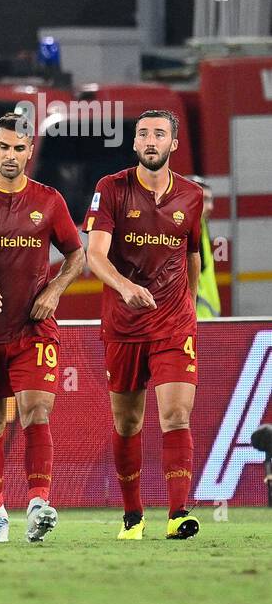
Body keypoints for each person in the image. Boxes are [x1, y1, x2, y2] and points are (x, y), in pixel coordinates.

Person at [0, 113, 85, 544]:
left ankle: (38, 503)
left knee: (36, 411)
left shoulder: (49, 201)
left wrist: (56, 289)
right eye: (4, 147)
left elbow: (76, 255)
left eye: (19, 148)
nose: (11, 156)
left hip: (34, 327)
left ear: (30, 150)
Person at [85, 109, 205, 541]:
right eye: (143, 134)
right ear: (134, 144)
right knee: (128, 423)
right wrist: (124, 287)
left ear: (173, 144)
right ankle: (133, 517)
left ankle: (178, 514)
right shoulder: (111, 189)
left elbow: (192, 255)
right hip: (124, 325)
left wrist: (187, 306)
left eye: (159, 134)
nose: (150, 140)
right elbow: (94, 254)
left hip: (173, 325)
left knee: (175, 415)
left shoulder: (191, 196)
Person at [189, 175, 220, 319]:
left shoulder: (201, 227)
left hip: (206, 319)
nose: (211, 207)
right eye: (205, 199)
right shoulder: (180, 233)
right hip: (192, 321)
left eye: (211, 200)